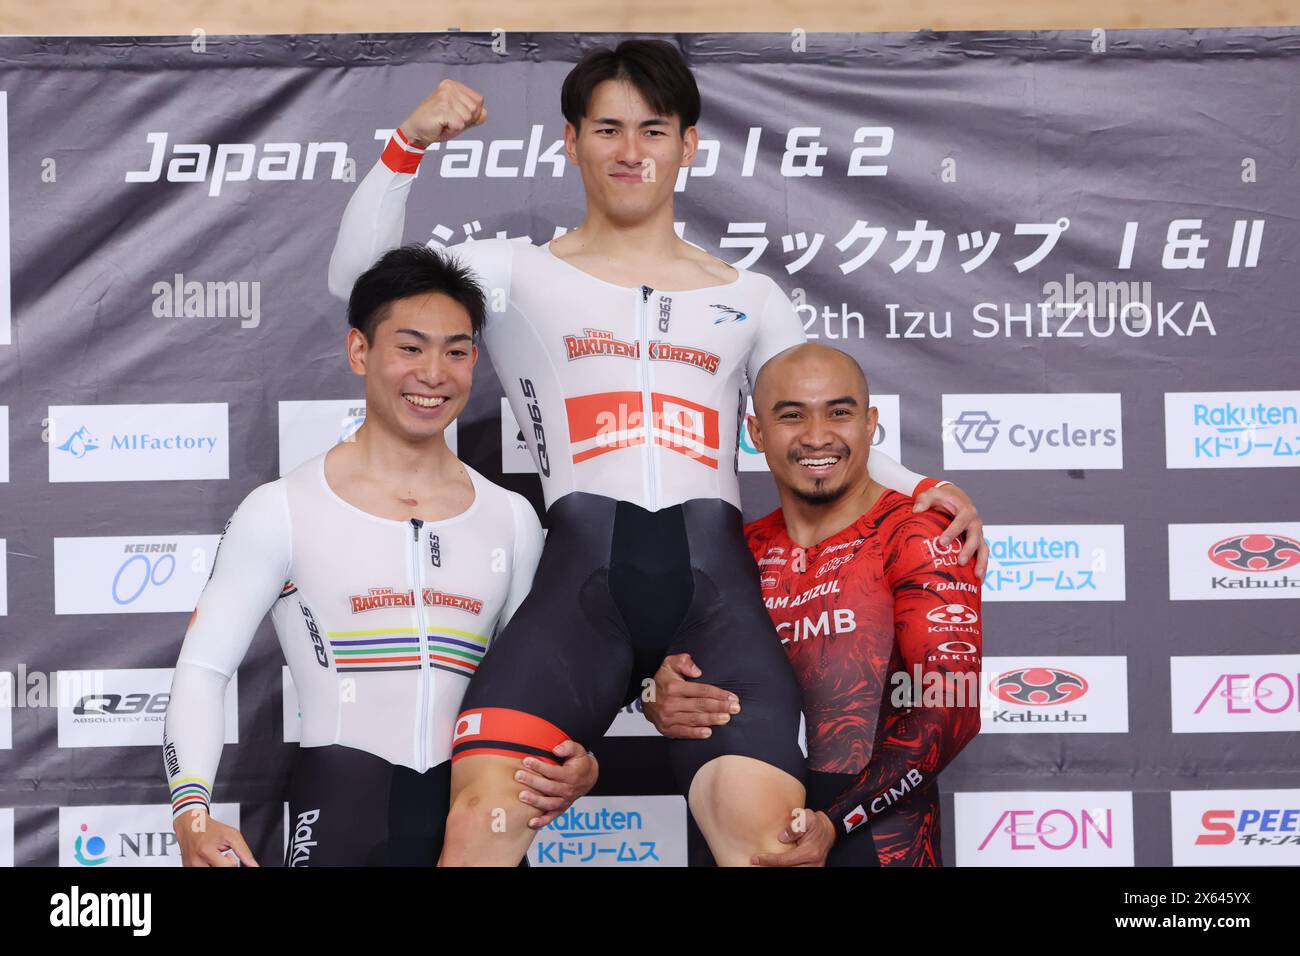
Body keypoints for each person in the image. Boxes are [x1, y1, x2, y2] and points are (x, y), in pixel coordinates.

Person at [328, 39, 986, 867]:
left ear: (689, 145)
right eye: (606, 129)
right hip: (577, 595)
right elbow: (359, 283)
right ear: (569, 143)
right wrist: (407, 145)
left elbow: (812, 420)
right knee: (479, 834)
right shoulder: (512, 274)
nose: (630, 151)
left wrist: (923, 484)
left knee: (772, 850)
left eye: (653, 129)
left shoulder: (751, 296)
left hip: (713, 604)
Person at [163, 245, 597, 867]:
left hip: (478, 816)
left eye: (455, 351)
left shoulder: (511, 518)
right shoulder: (281, 508)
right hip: (343, 804)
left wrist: (575, 759)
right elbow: (203, 671)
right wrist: (192, 812)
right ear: (360, 352)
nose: (433, 373)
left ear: (475, 360)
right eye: (410, 347)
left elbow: (539, 684)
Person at [646, 343, 982, 866]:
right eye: (791, 416)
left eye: (839, 412)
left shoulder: (917, 534)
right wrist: (655, 695)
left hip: (876, 840)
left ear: (871, 424)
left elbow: (952, 708)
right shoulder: (732, 552)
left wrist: (835, 821)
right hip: (737, 845)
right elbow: (657, 679)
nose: (817, 436)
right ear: (756, 434)